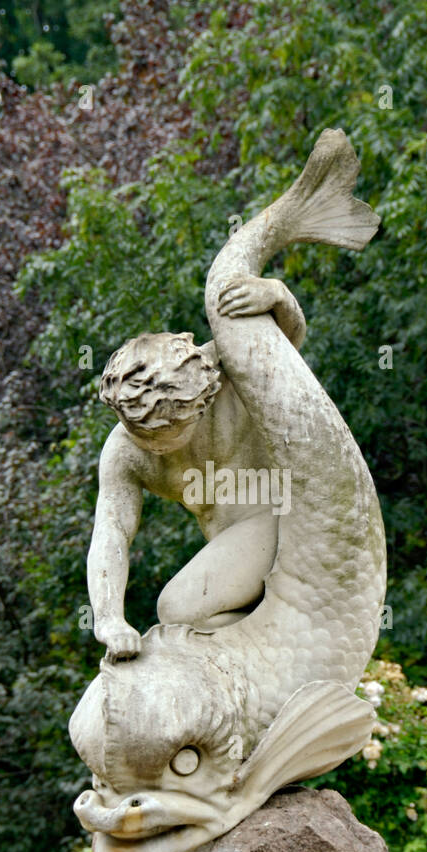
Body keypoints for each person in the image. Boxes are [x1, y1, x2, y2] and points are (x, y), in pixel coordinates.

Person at [88, 273, 305, 660]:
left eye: (171, 430)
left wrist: (278, 296)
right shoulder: (124, 451)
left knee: (179, 609)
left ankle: (281, 653)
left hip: (287, 518)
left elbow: (284, 345)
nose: (157, 445)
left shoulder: (224, 373)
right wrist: (108, 618)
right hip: (237, 550)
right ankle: (279, 656)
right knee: (189, 635)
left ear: (200, 400)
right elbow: (111, 532)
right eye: (144, 434)